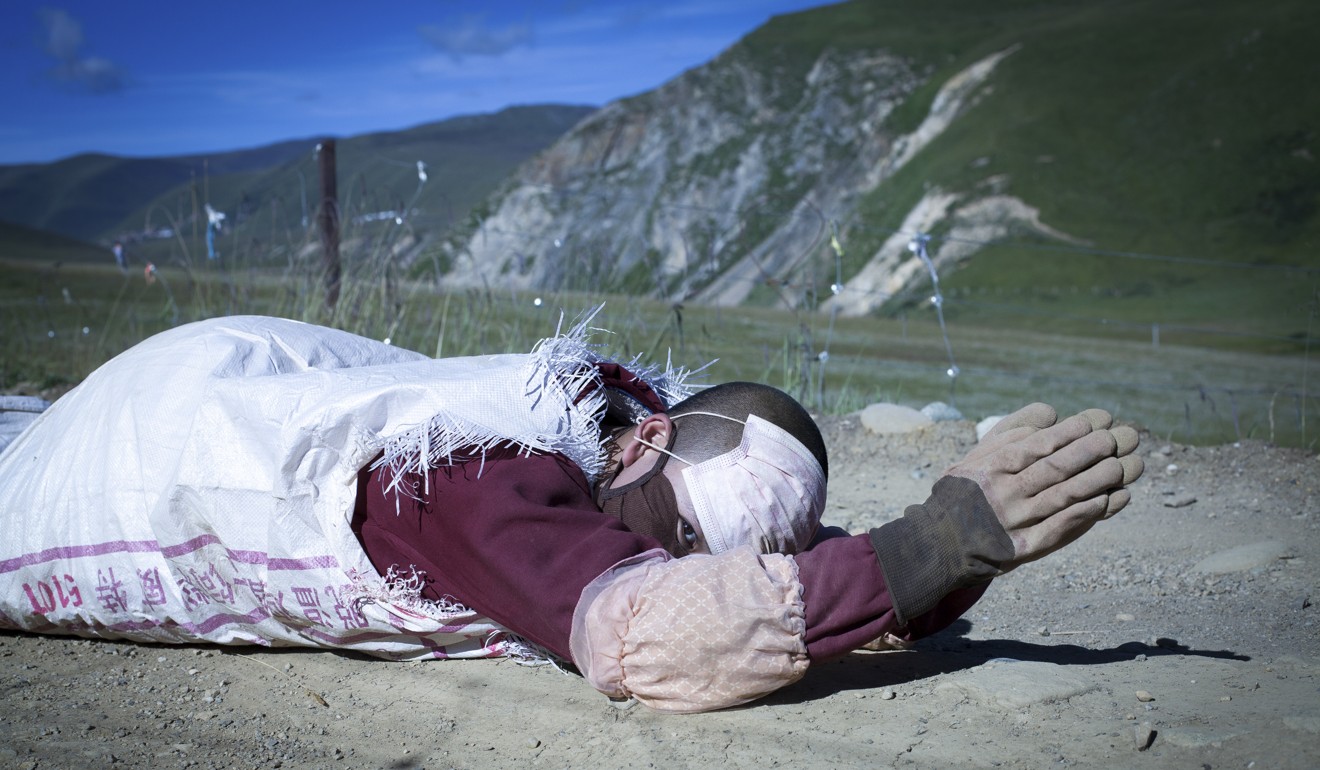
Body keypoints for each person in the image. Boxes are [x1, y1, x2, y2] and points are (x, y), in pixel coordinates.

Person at [0, 312, 1142, 713]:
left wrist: (967, 539)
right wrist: (930, 543)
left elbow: (811, 577)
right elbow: (656, 631)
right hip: (166, 421)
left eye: (741, 553)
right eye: (689, 535)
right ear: (644, 435)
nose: (678, 557)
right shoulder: (487, 471)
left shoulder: (622, 471)